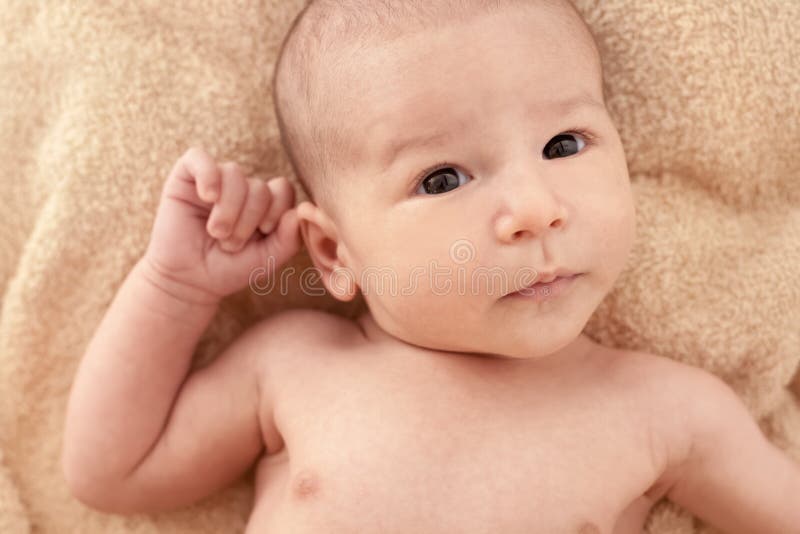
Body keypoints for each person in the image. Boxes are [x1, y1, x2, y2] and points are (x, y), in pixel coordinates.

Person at [61, 1, 800, 532]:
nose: (534, 209)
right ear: (333, 252)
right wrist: (175, 285)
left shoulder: (667, 412)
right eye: (443, 178)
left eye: (564, 144)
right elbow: (112, 472)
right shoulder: (300, 366)